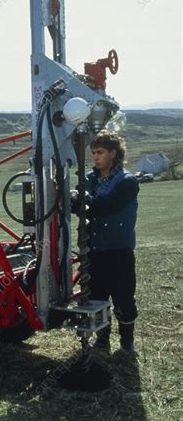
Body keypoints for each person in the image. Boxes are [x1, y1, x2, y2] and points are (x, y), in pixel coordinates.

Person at [84, 130, 139, 354]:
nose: (95, 157)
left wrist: (81, 200)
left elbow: (107, 206)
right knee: (97, 297)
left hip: (119, 251)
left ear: (113, 154)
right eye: (93, 153)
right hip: (95, 251)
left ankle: (127, 344)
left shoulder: (127, 182)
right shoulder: (89, 179)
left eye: (100, 152)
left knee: (123, 299)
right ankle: (102, 341)